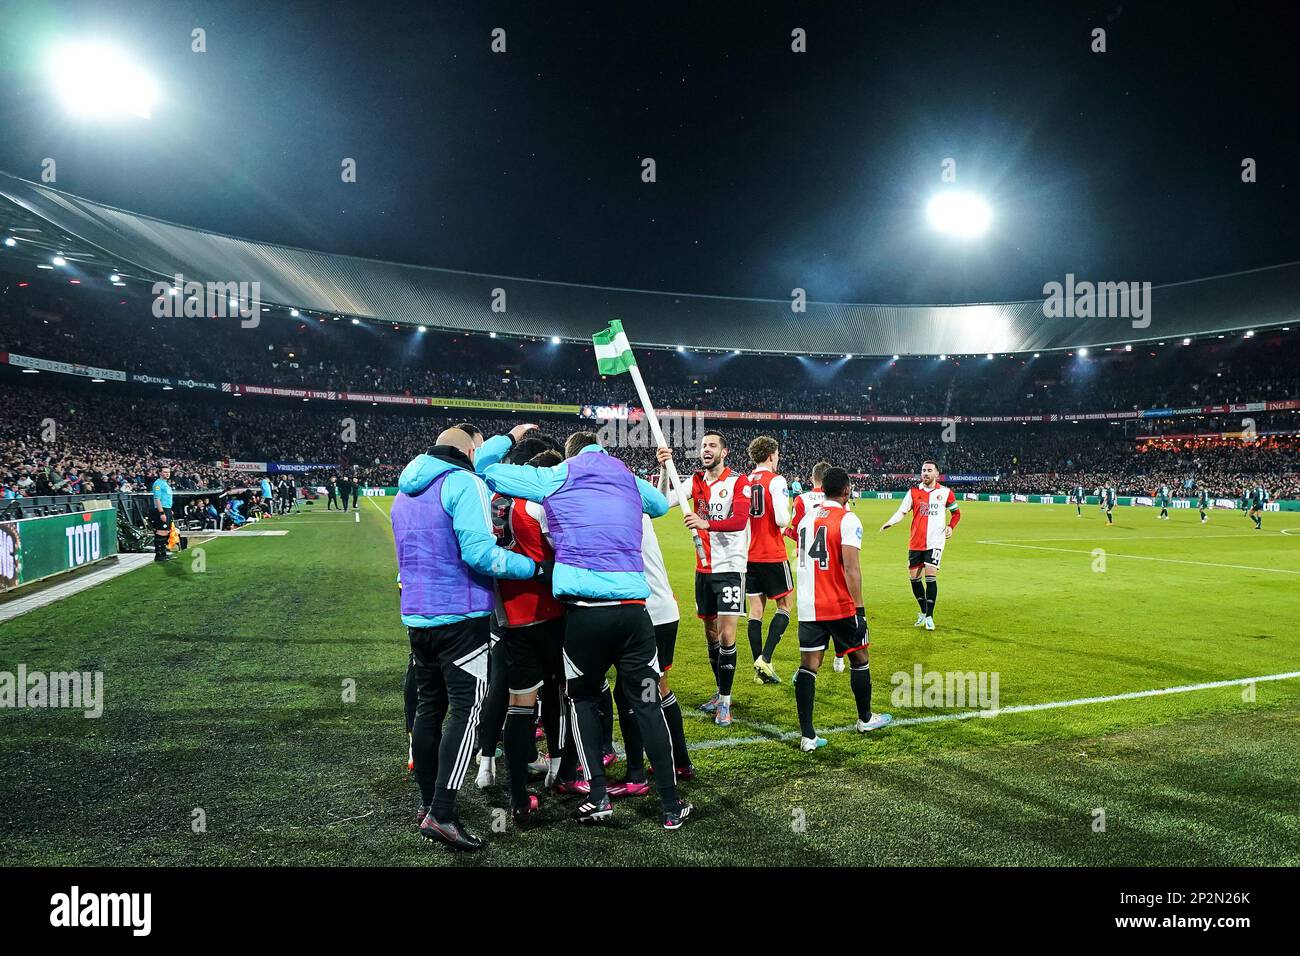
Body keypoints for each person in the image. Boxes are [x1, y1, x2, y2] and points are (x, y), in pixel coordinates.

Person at [484, 430, 693, 830]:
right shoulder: (626, 476)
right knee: (647, 702)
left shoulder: (557, 476)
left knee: (581, 699)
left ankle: (597, 796)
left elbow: (488, 472)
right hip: (633, 615)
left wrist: (505, 439)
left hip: (583, 615)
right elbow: (658, 506)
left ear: (569, 454)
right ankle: (670, 804)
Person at [391, 426, 549, 851]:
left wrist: (507, 437)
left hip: (418, 616)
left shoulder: (406, 489)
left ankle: (427, 804)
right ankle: (443, 812)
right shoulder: (464, 484)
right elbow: (479, 554)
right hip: (460, 616)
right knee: (465, 711)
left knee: (430, 708)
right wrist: (530, 568)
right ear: (469, 452)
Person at [656, 432, 751, 727]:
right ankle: (719, 690)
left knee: (726, 636)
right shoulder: (694, 481)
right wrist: (662, 470)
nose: (705, 450)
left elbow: (740, 520)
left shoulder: (739, 481)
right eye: (702, 446)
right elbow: (660, 504)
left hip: (730, 568)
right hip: (704, 568)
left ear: (724, 451)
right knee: (710, 634)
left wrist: (704, 523)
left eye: (711, 446)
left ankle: (725, 702)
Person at [793, 467, 891, 751]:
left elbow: (802, 561)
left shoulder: (806, 519)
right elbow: (851, 567)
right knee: (860, 657)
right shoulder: (848, 519)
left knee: (808, 667)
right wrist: (859, 610)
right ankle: (865, 718)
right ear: (847, 491)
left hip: (810, 604)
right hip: (839, 604)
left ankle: (808, 736)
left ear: (823, 489)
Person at [879, 460, 961, 632]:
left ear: (937, 474)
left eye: (929, 470)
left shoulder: (946, 493)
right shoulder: (913, 492)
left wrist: (950, 527)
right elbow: (902, 511)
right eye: (923, 470)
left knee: (930, 576)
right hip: (916, 542)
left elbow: (956, 513)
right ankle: (923, 612)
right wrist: (890, 522)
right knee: (914, 578)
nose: (925, 473)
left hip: (935, 541)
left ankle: (930, 616)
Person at [744, 436, 792, 685]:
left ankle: (759, 672)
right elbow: (782, 520)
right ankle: (766, 658)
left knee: (756, 611)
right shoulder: (776, 480)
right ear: (772, 455)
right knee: (785, 606)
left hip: (748, 556)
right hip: (772, 553)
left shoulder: (744, 481)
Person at [150, 465, 174, 562]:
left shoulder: (165, 484)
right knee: (161, 531)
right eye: (165, 472)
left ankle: (163, 553)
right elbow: (157, 499)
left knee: (166, 531)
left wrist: (169, 510)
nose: (167, 474)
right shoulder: (158, 484)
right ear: (160, 473)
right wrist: (161, 512)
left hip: (167, 509)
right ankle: (159, 555)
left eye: (168, 472)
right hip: (161, 509)